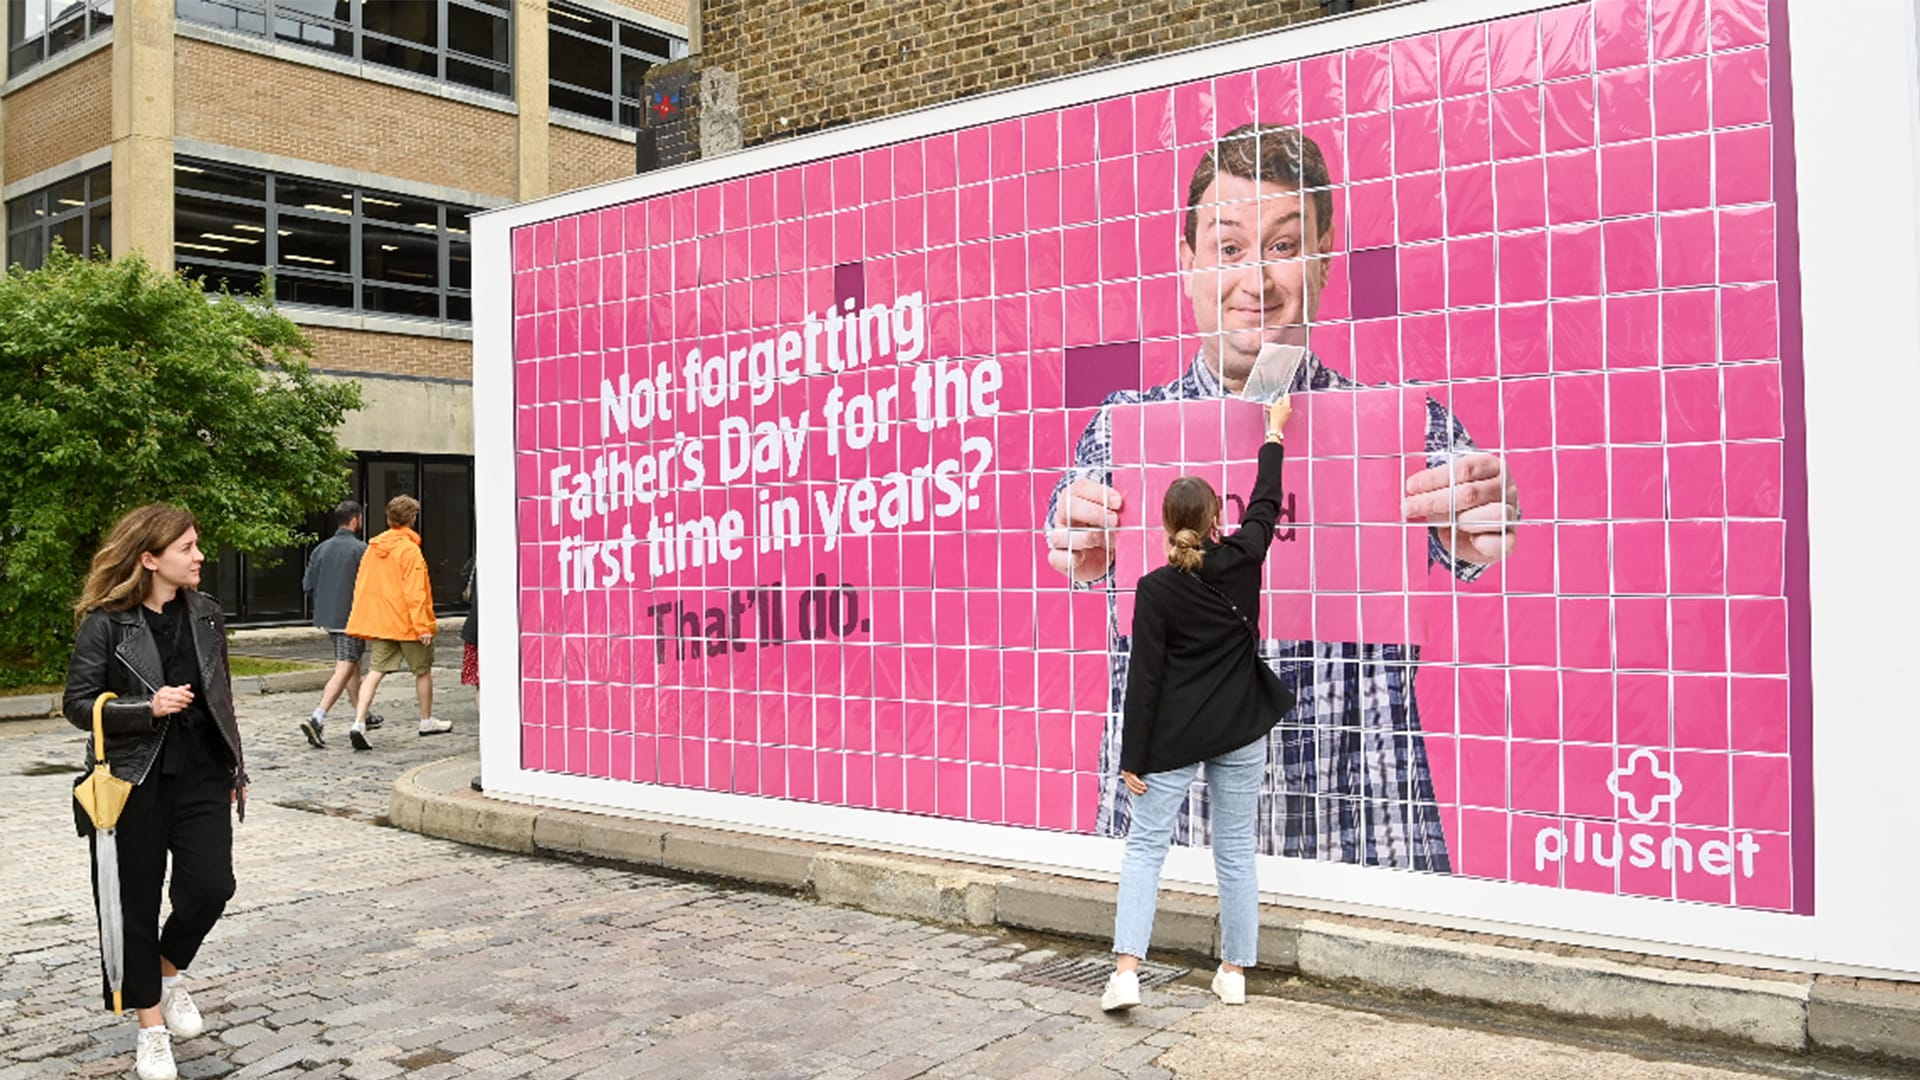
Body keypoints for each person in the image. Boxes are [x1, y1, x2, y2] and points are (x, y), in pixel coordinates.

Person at [1044, 124, 1522, 869]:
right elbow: (1075, 517)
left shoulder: (1399, 426)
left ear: (1324, 258)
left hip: (1368, 843)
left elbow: (1466, 498)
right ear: (1188, 264)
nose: (1256, 281)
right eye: (1229, 248)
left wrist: (1482, 509)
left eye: (1285, 245)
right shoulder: (1125, 432)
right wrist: (1073, 532)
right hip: (1181, 842)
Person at [1102, 398, 1297, 1013]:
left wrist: (1133, 757)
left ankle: (1126, 974)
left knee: (1145, 849)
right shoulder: (1244, 558)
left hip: (1176, 735)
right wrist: (1273, 433)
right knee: (1235, 854)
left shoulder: (1155, 589)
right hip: (1241, 727)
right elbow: (1265, 503)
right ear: (1218, 518)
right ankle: (1233, 973)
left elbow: (1145, 678)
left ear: (1165, 524)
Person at [63, 504, 247, 1080]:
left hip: (202, 776)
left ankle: (168, 975)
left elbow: (222, 697)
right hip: (132, 782)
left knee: (211, 888)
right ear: (149, 558)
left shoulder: (207, 613)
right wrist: (147, 707)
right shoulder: (106, 623)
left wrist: (235, 769)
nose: (199, 556)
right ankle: (151, 1030)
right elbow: (77, 704)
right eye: (186, 547)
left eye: (196, 545)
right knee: (133, 905)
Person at [344, 495, 447, 749]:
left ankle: (359, 721)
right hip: (409, 625)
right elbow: (415, 591)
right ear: (411, 519)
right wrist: (422, 626)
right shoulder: (410, 550)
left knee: (375, 671)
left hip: (383, 623)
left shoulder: (374, 548)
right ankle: (426, 720)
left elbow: (365, 587)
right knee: (422, 671)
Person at [298, 500, 382, 748]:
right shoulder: (361, 550)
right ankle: (317, 718)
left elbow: (307, 584)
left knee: (353, 665)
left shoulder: (321, 549)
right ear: (355, 520)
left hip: (328, 617)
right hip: (352, 619)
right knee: (345, 667)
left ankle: (362, 713)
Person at [458, 553, 479, 705]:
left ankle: (485, 717)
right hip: (502, 631)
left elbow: (464, 574)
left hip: (474, 626)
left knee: (480, 683)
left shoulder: (478, 557)